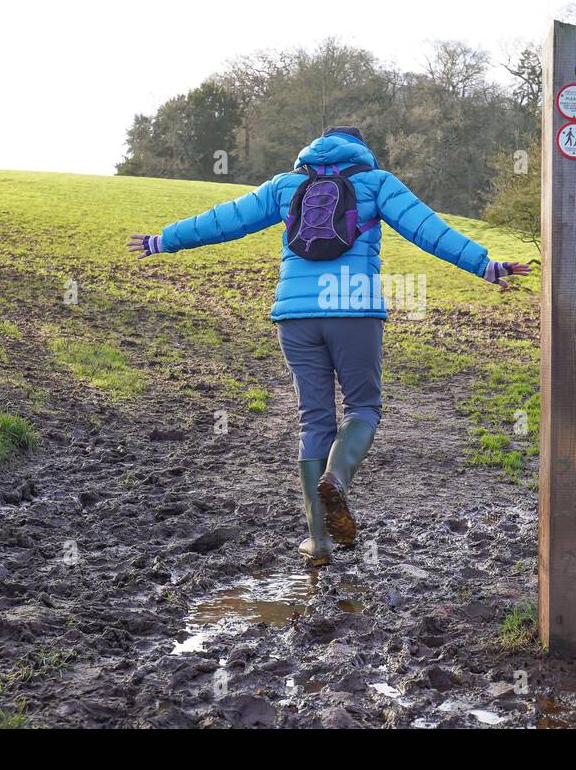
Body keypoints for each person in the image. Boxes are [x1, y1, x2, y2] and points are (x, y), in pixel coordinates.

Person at [128, 126, 530, 566]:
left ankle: (318, 542)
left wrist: (161, 241)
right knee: (363, 407)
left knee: (313, 420)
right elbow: (430, 231)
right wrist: (485, 266)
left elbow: (225, 220)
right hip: (354, 309)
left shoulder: (287, 185)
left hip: (295, 316)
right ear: (361, 149)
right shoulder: (376, 183)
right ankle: (337, 476)